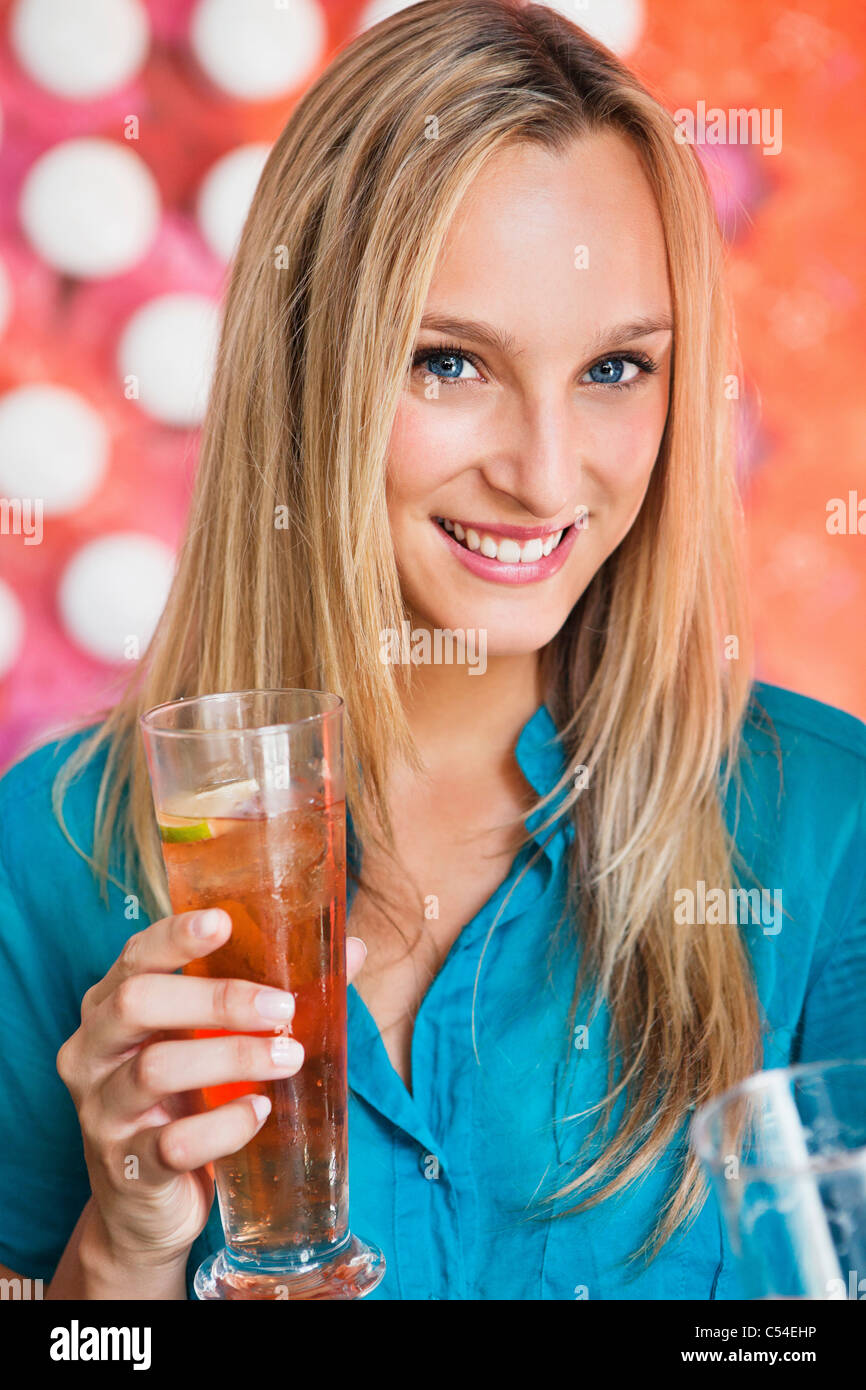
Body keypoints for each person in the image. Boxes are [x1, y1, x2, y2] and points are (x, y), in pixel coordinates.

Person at [1, 0, 864, 1301]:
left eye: (615, 368)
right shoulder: (51, 852)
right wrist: (119, 1251)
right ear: (304, 371)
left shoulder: (827, 825)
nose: (544, 472)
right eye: (449, 361)